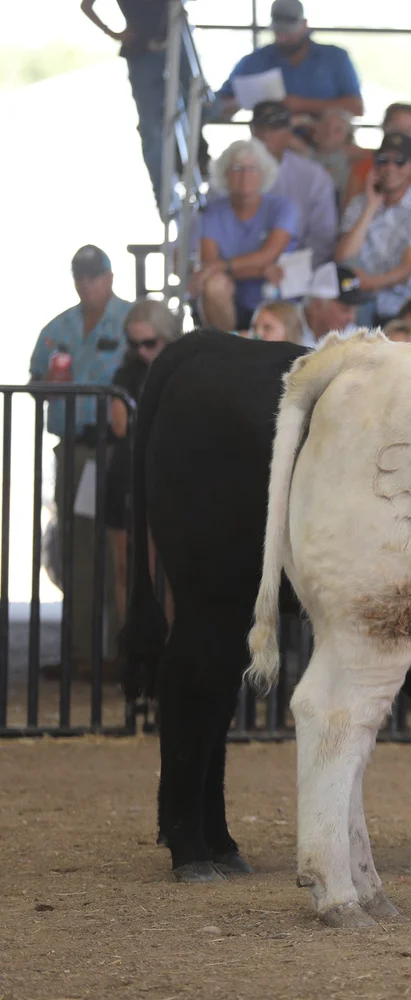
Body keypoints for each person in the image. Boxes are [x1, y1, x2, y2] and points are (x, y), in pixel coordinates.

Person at [29, 246, 130, 674]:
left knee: (119, 549)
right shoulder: (58, 329)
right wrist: (48, 383)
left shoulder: (132, 322)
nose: (87, 284)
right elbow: (33, 381)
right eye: (81, 276)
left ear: (110, 277)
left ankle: (119, 652)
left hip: (118, 451)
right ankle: (81, 653)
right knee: (76, 546)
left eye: (94, 275)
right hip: (72, 449)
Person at [104, 299, 182, 629]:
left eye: (149, 342)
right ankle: (133, 647)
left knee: (172, 574)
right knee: (129, 570)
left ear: (166, 336)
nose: (141, 351)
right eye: (134, 343)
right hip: (128, 473)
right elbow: (120, 427)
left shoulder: (184, 370)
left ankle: (171, 648)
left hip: (170, 477)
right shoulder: (126, 373)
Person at [81, 0, 184, 204]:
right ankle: (166, 199)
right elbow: (86, 5)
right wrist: (111, 32)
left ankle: (194, 167)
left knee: (197, 107)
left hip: (176, 43)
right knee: (152, 129)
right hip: (142, 53)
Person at [192, 138, 298, 331]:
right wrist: (260, 270)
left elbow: (269, 255)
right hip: (232, 296)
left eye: (252, 168)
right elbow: (209, 264)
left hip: (277, 292)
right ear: (225, 174)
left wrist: (223, 266)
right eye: (237, 168)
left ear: (263, 173)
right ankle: (228, 342)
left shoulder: (281, 208)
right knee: (213, 285)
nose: (245, 175)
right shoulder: (213, 212)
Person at [334, 132, 411, 323]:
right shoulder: (359, 204)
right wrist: (371, 206)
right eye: (384, 160)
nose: (390, 168)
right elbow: (344, 256)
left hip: (404, 306)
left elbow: (406, 271)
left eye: (400, 161)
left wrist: (367, 283)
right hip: (360, 303)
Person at [216, 0, 362, 120]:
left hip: (325, 142)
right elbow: (218, 107)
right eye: (279, 32)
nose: (284, 38)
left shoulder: (335, 58)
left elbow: (357, 108)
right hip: (272, 143)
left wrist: (300, 104)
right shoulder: (254, 61)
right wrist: (240, 102)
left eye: (289, 32)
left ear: (304, 25)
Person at [252, 100, 338, 267]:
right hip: (241, 263)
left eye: (274, 129)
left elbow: (323, 237)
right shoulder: (233, 169)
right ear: (252, 131)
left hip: (296, 265)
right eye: (261, 128)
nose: (266, 136)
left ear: (288, 133)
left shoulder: (314, 176)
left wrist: (293, 268)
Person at [345, 104, 411, 206]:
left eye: (409, 130)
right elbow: (349, 212)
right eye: (396, 128)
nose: (402, 135)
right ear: (384, 129)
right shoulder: (362, 170)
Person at [302, 262, 370, 343]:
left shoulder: (352, 335)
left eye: (355, 311)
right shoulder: (290, 332)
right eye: (345, 310)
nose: (352, 318)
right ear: (317, 306)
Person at [305, 109, 360, 199]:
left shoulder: (350, 156)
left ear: (346, 137)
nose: (329, 132)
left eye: (337, 130)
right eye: (325, 126)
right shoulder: (301, 153)